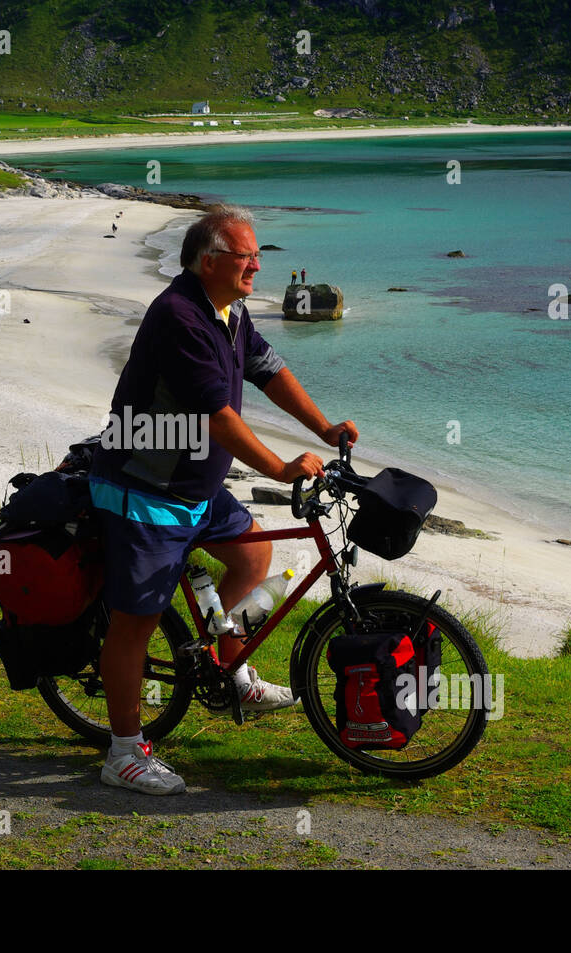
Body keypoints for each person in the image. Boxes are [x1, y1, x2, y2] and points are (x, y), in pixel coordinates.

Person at [90, 204, 359, 795]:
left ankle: (230, 668)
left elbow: (270, 371)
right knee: (134, 625)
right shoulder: (180, 317)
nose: (257, 267)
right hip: (145, 488)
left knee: (253, 557)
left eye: (258, 256)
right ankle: (124, 753)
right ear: (209, 260)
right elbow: (216, 415)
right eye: (246, 257)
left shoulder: (228, 312)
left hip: (196, 487)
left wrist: (322, 430)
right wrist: (279, 467)